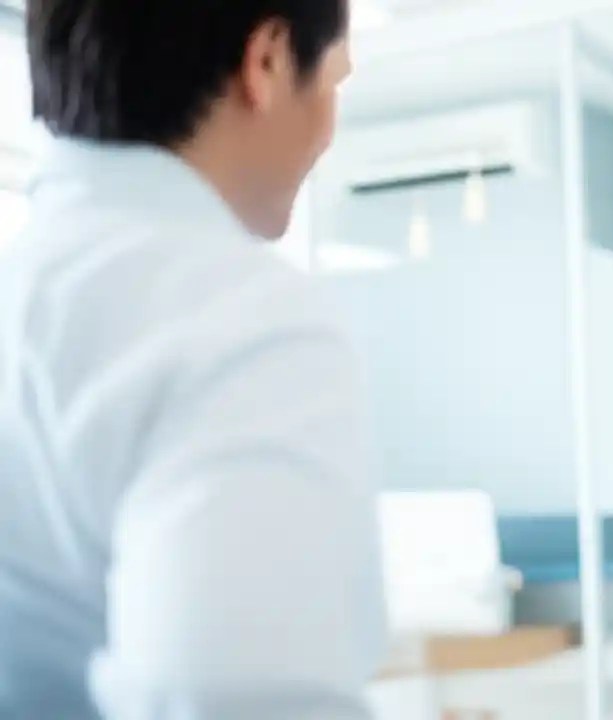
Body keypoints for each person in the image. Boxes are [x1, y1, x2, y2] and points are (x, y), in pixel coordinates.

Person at [0, 1, 387, 717]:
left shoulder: (23, 286)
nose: (329, 129)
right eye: (334, 79)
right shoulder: (239, 317)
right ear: (267, 62)